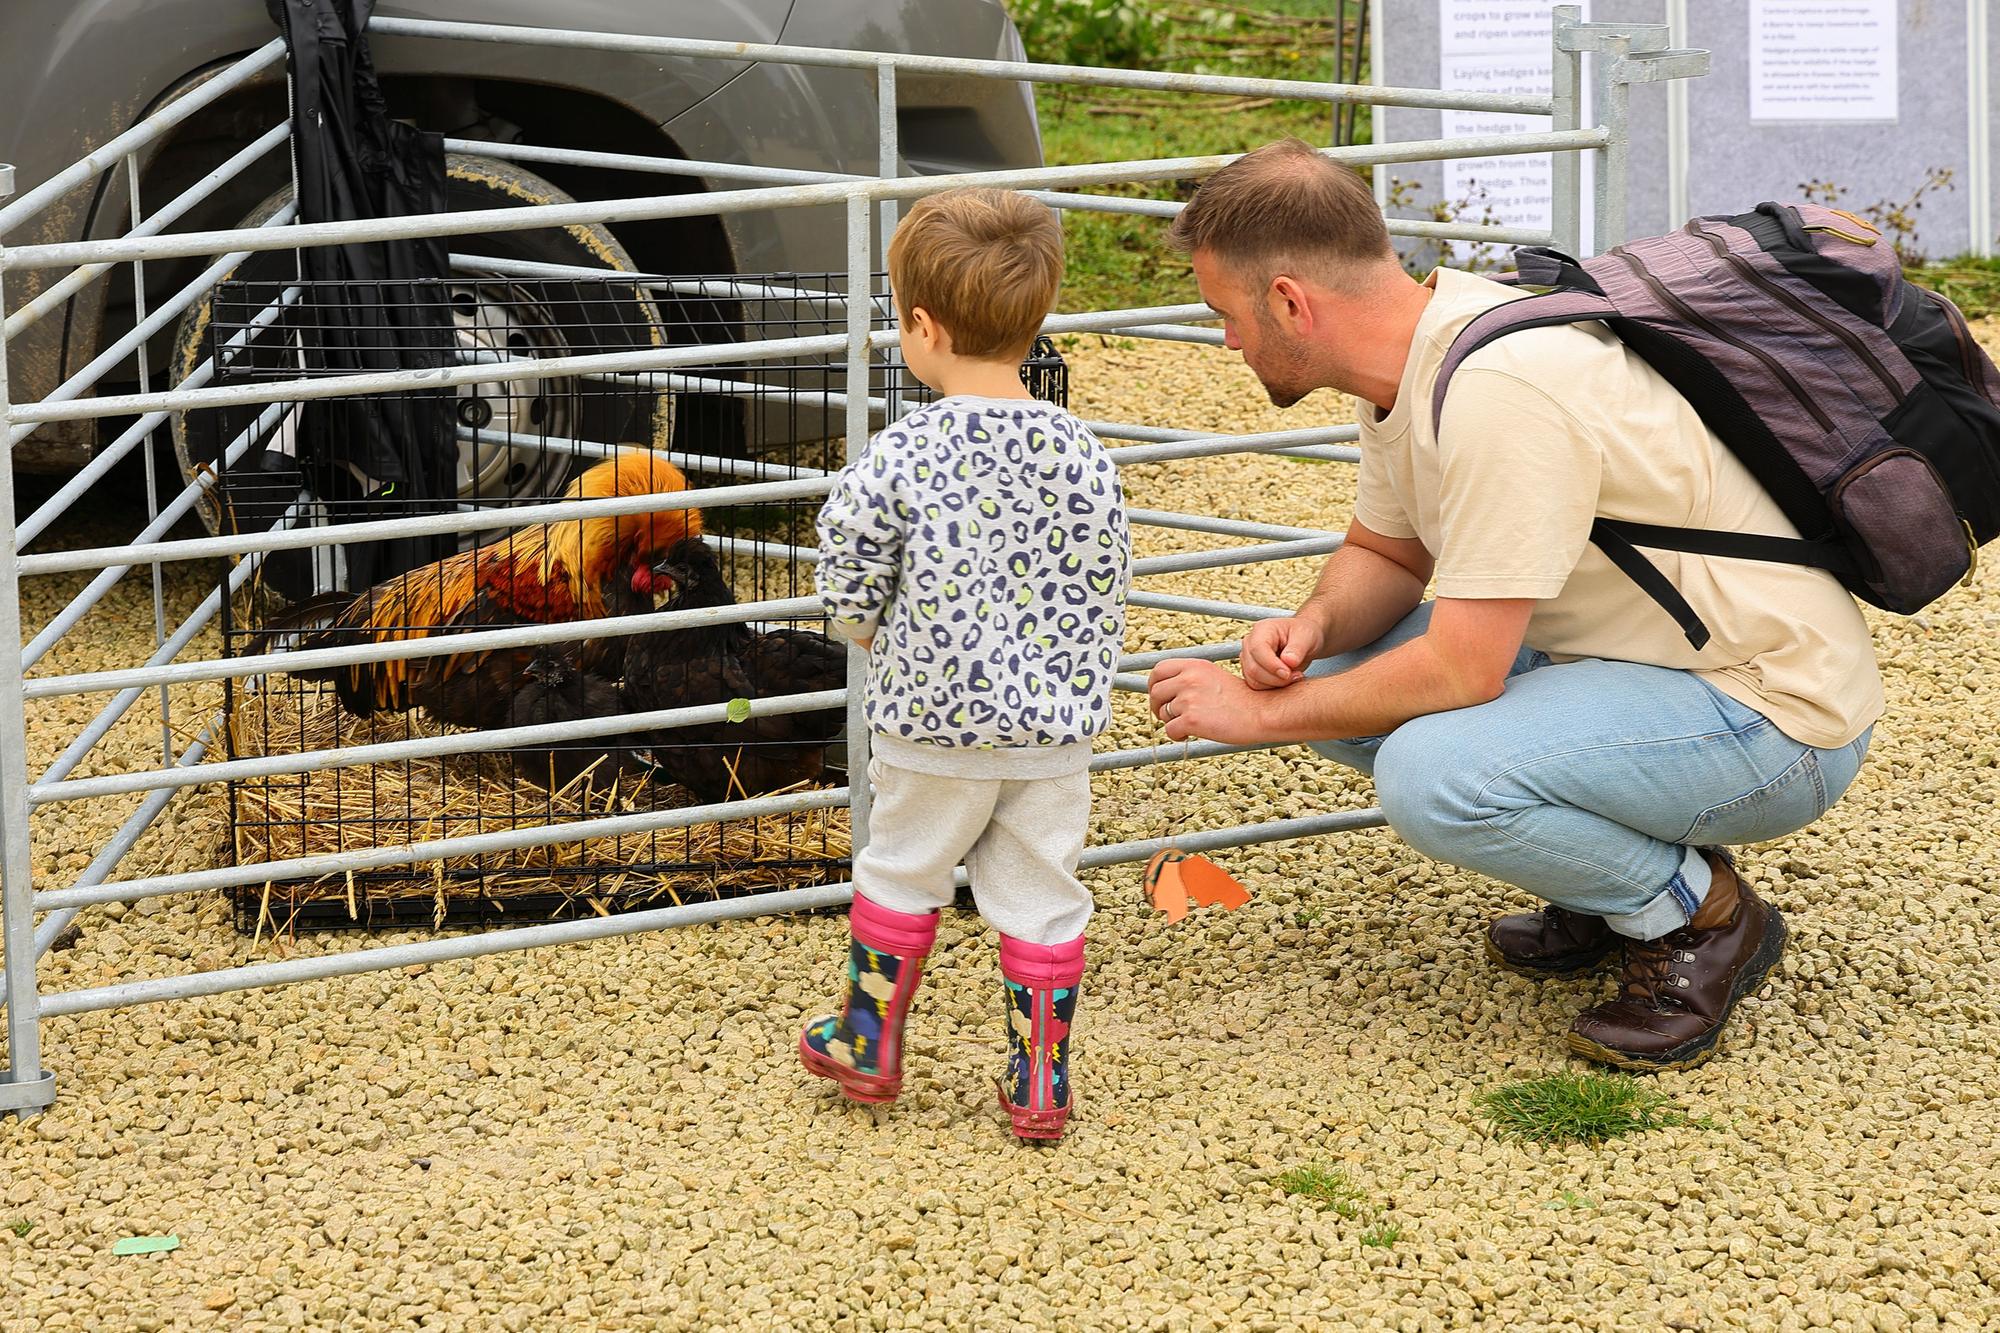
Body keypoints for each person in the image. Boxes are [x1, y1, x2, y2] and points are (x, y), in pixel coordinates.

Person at [1146, 138, 1881, 1072]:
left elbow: (1463, 668)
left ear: (1291, 301)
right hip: (1647, 669)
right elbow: (1387, 549)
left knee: (1431, 773)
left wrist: (1261, 712)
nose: (1227, 340)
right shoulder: (1422, 350)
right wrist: (1314, 628)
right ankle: (1603, 884)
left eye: (1227, 314)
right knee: (1338, 671)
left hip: (1770, 714)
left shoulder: (1498, 390)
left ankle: (1698, 915)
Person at [802, 188, 1131, 1140]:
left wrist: (863, 627)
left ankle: (868, 1037)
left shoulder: (901, 453)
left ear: (922, 324)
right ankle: (1039, 1082)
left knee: (903, 868)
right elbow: (1106, 571)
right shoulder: (1084, 454)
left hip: (931, 724)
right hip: (1049, 736)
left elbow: (854, 561)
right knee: (1042, 891)